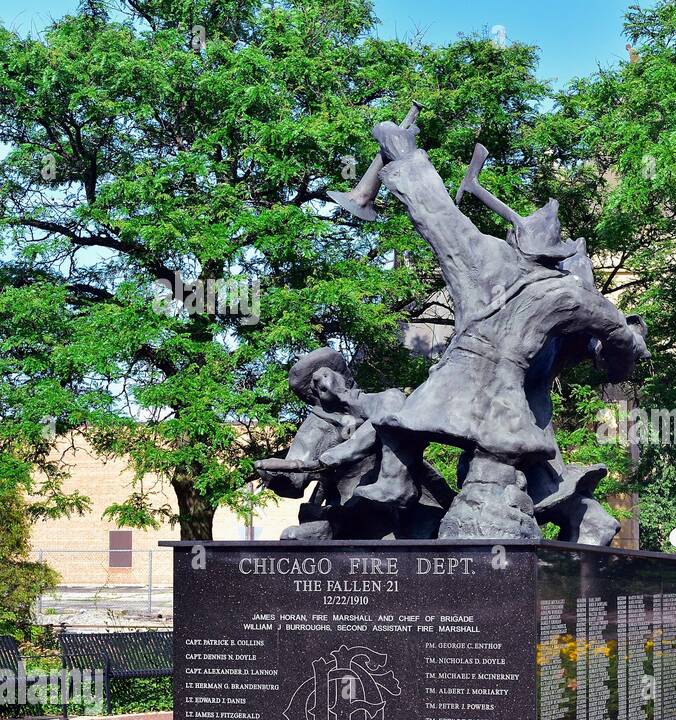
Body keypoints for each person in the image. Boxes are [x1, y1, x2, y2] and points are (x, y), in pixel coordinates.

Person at [370, 121, 649, 540]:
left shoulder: (488, 256)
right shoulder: (569, 295)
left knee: (408, 430)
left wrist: (405, 152)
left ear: (519, 243)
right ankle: (585, 521)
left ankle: (573, 522)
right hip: (505, 400)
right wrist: (623, 352)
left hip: (475, 389)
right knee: (421, 433)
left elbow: (437, 212)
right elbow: (620, 337)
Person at [255, 347, 453, 540]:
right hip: (352, 511)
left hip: (411, 508)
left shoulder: (375, 401)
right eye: (318, 382)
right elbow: (295, 481)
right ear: (314, 393)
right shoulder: (315, 427)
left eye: (329, 374)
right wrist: (277, 476)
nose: (327, 382)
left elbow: (394, 416)